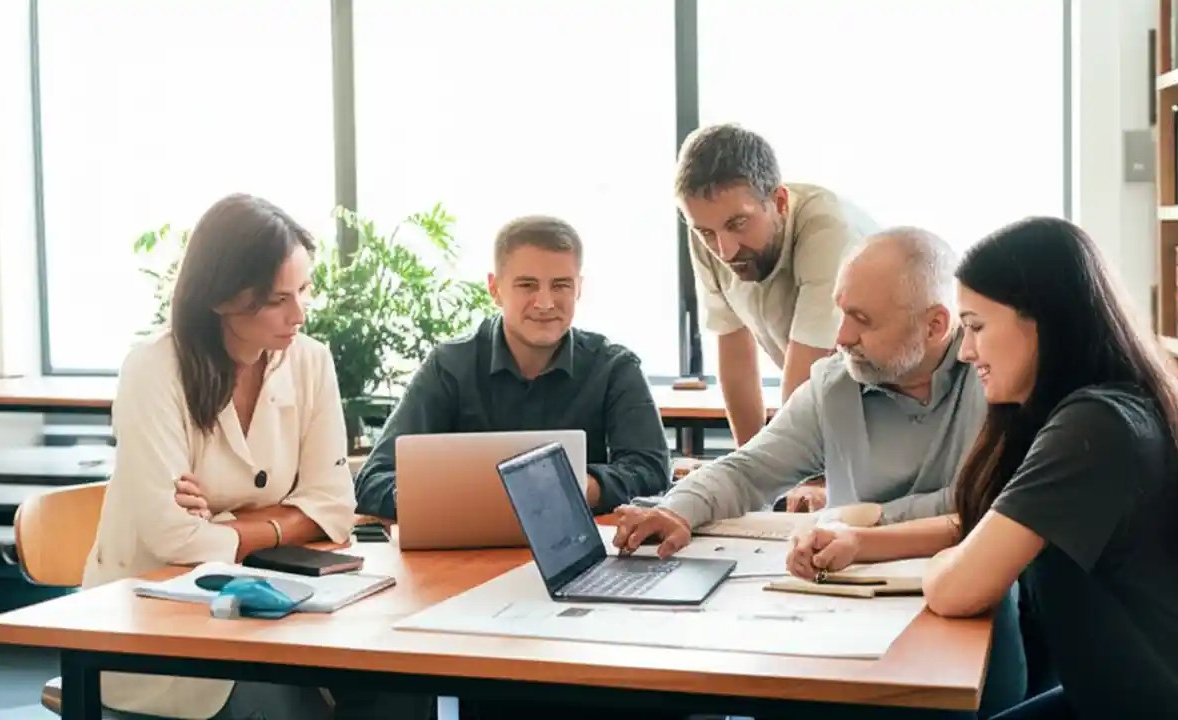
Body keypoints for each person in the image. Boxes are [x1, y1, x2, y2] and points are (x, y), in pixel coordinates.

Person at [788, 216, 1178, 719]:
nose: (966, 349)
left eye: (975, 326)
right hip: (1128, 693)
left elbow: (956, 590)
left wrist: (943, 568)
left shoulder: (1095, 429)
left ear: (1042, 322)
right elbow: (991, 526)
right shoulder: (1088, 413)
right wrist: (863, 543)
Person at [82, 194, 424, 719]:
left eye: (303, 291)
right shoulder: (154, 371)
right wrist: (289, 518)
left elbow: (334, 507)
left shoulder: (309, 360)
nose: (299, 314)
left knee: (403, 680)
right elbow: (171, 539)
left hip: (282, 602)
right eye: (276, 299)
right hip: (155, 619)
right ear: (222, 298)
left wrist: (226, 523)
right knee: (281, 701)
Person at [613, 226, 987, 556]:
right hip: (849, 591)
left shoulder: (991, 380)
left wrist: (861, 519)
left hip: (964, 595)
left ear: (935, 326)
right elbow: (747, 472)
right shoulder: (835, 384)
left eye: (863, 320)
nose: (841, 338)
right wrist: (676, 509)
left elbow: (984, 504)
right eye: (841, 313)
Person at [353, 214, 671, 521]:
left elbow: (652, 472)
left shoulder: (615, 367)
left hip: (578, 548)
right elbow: (373, 480)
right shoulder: (450, 366)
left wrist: (575, 488)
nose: (545, 303)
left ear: (578, 288)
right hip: (465, 549)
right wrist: (449, 499)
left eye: (560, 285)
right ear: (495, 289)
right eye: (527, 285)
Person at [676, 123, 881, 448]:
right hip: (830, 405)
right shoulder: (708, 234)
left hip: (895, 406)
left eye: (738, 223)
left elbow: (806, 379)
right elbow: (736, 358)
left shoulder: (828, 231)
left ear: (780, 202)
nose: (724, 250)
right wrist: (746, 475)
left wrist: (771, 475)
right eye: (705, 232)